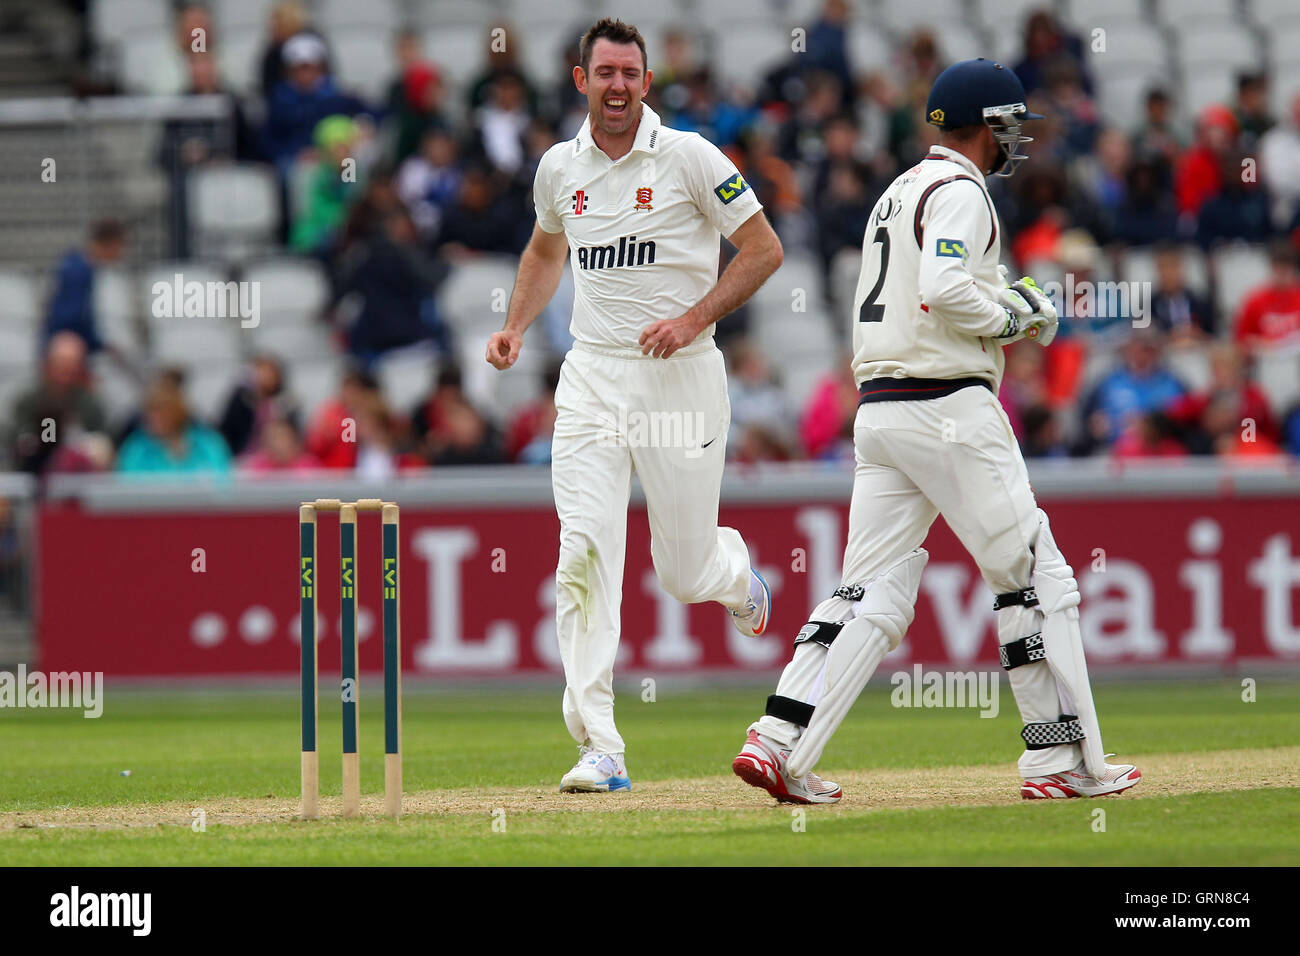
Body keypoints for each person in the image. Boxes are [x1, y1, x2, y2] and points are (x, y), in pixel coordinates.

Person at [731, 58, 1141, 804]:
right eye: (1008, 124)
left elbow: (925, 292)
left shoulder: (897, 192)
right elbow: (946, 290)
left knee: (867, 591)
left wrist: (1000, 297)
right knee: (1035, 579)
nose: (1014, 139)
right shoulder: (962, 190)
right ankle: (1063, 762)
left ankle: (779, 740)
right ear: (984, 126)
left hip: (882, 412)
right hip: (948, 405)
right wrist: (1017, 314)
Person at [485, 18, 784, 794]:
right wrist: (516, 326)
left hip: (681, 377)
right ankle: (601, 747)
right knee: (582, 552)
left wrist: (693, 318)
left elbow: (763, 249)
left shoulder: (690, 156)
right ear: (581, 80)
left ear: (647, 83)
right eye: (604, 72)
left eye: (631, 73)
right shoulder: (560, 168)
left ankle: (735, 574)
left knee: (682, 572)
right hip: (591, 378)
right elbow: (547, 249)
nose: (617, 85)